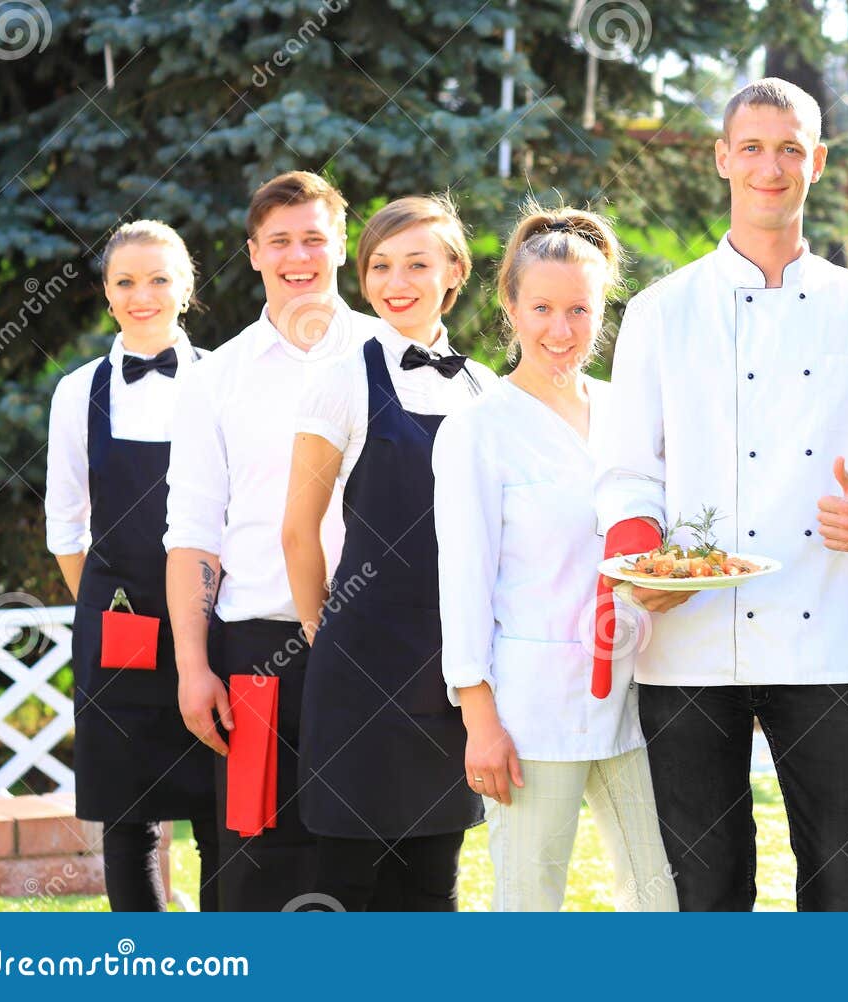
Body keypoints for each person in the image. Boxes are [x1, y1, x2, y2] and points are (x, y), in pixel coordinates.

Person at [594, 77, 848, 911]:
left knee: (846, 882)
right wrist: (638, 558)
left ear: (819, 162)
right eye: (755, 147)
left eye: (791, 147)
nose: (772, 166)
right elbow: (625, 469)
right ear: (724, 158)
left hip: (828, 636)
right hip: (686, 636)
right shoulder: (661, 312)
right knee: (707, 886)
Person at [434, 204, 677, 912]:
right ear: (509, 305)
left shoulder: (628, 415)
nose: (562, 330)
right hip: (530, 708)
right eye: (542, 307)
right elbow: (465, 582)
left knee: (661, 897)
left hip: (636, 696)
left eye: (580, 309)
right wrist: (479, 718)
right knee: (529, 901)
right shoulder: (477, 429)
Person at [281, 195, 497, 911]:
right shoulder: (340, 377)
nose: (395, 280)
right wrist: (322, 628)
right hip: (359, 666)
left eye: (417, 263)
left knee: (435, 880)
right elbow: (297, 528)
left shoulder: (486, 390)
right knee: (346, 879)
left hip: (455, 667)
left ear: (454, 272)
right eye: (379, 265)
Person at [165, 170, 371, 911]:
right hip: (256, 654)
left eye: (314, 238)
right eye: (279, 241)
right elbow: (192, 535)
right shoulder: (215, 379)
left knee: (368, 859)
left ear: (341, 245)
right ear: (253, 253)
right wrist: (193, 667)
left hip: (374, 648)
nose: (299, 256)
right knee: (258, 859)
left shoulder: (389, 357)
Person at [45, 221, 218, 911]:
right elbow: (65, 523)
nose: (141, 294)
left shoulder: (223, 381)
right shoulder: (75, 392)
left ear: (185, 290)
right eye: (125, 281)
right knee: (128, 819)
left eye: (158, 279)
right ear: (108, 296)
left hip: (215, 621)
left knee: (220, 814)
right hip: (120, 629)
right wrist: (106, 604)